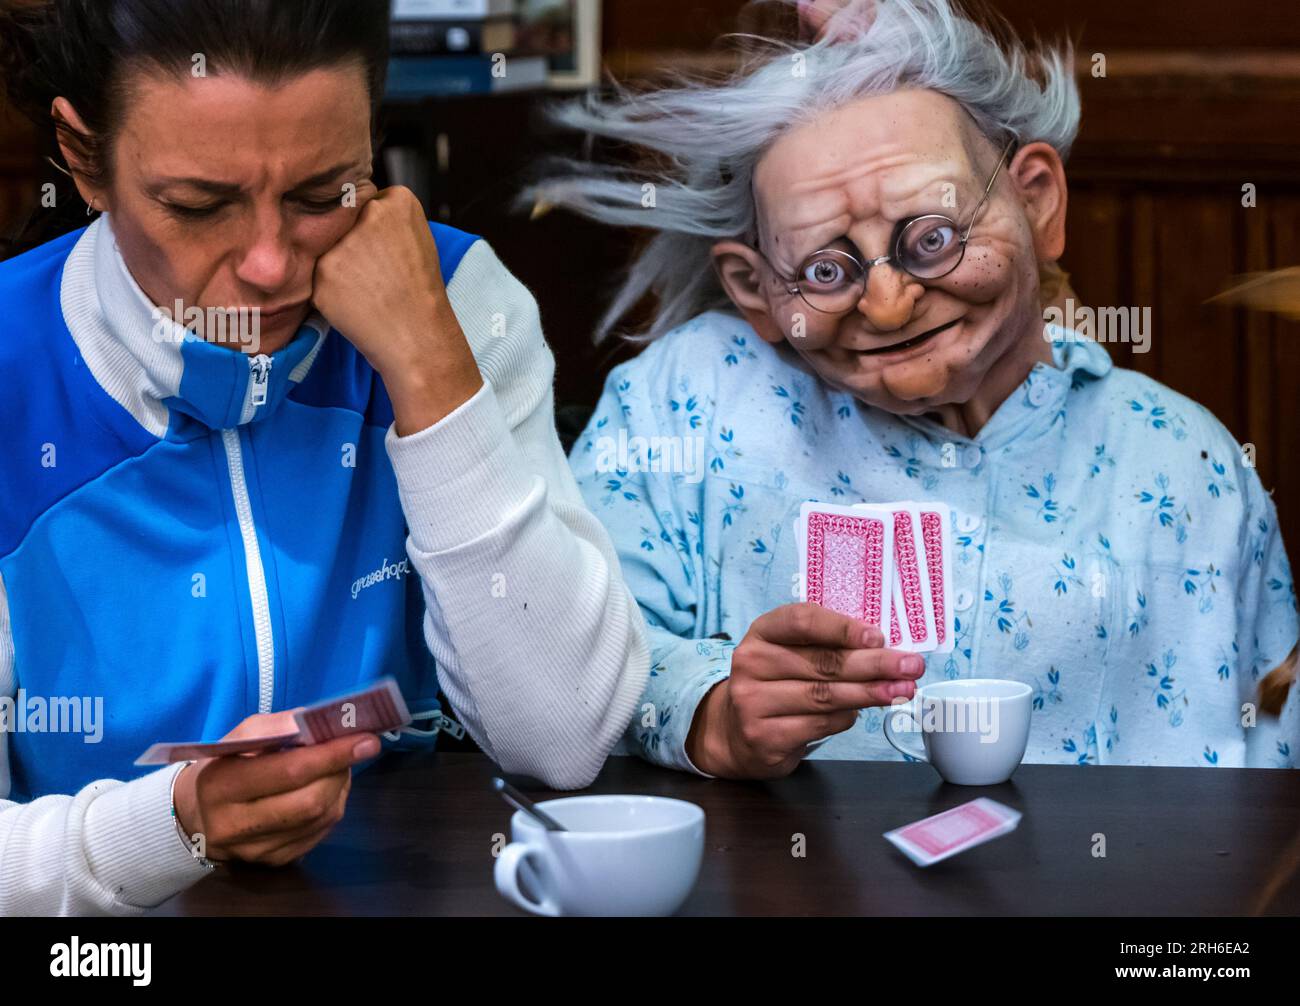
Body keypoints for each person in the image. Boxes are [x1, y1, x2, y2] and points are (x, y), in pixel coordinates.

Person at [533, 0, 1299, 778]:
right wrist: (711, 712)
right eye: (826, 271)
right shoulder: (682, 401)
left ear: (1036, 203)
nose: (889, 303)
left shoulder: (1184, 462)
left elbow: (1275, 751)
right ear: (756, 287)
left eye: (932, 239)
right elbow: (561, 648)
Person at [0, 0, 648, 915]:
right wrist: (170, 828)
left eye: (322, 194)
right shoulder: (10, 364)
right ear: (81, 156)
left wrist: (429, 366)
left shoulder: (457, 299)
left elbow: (565, 734)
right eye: (198, 205)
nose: (270, 264)